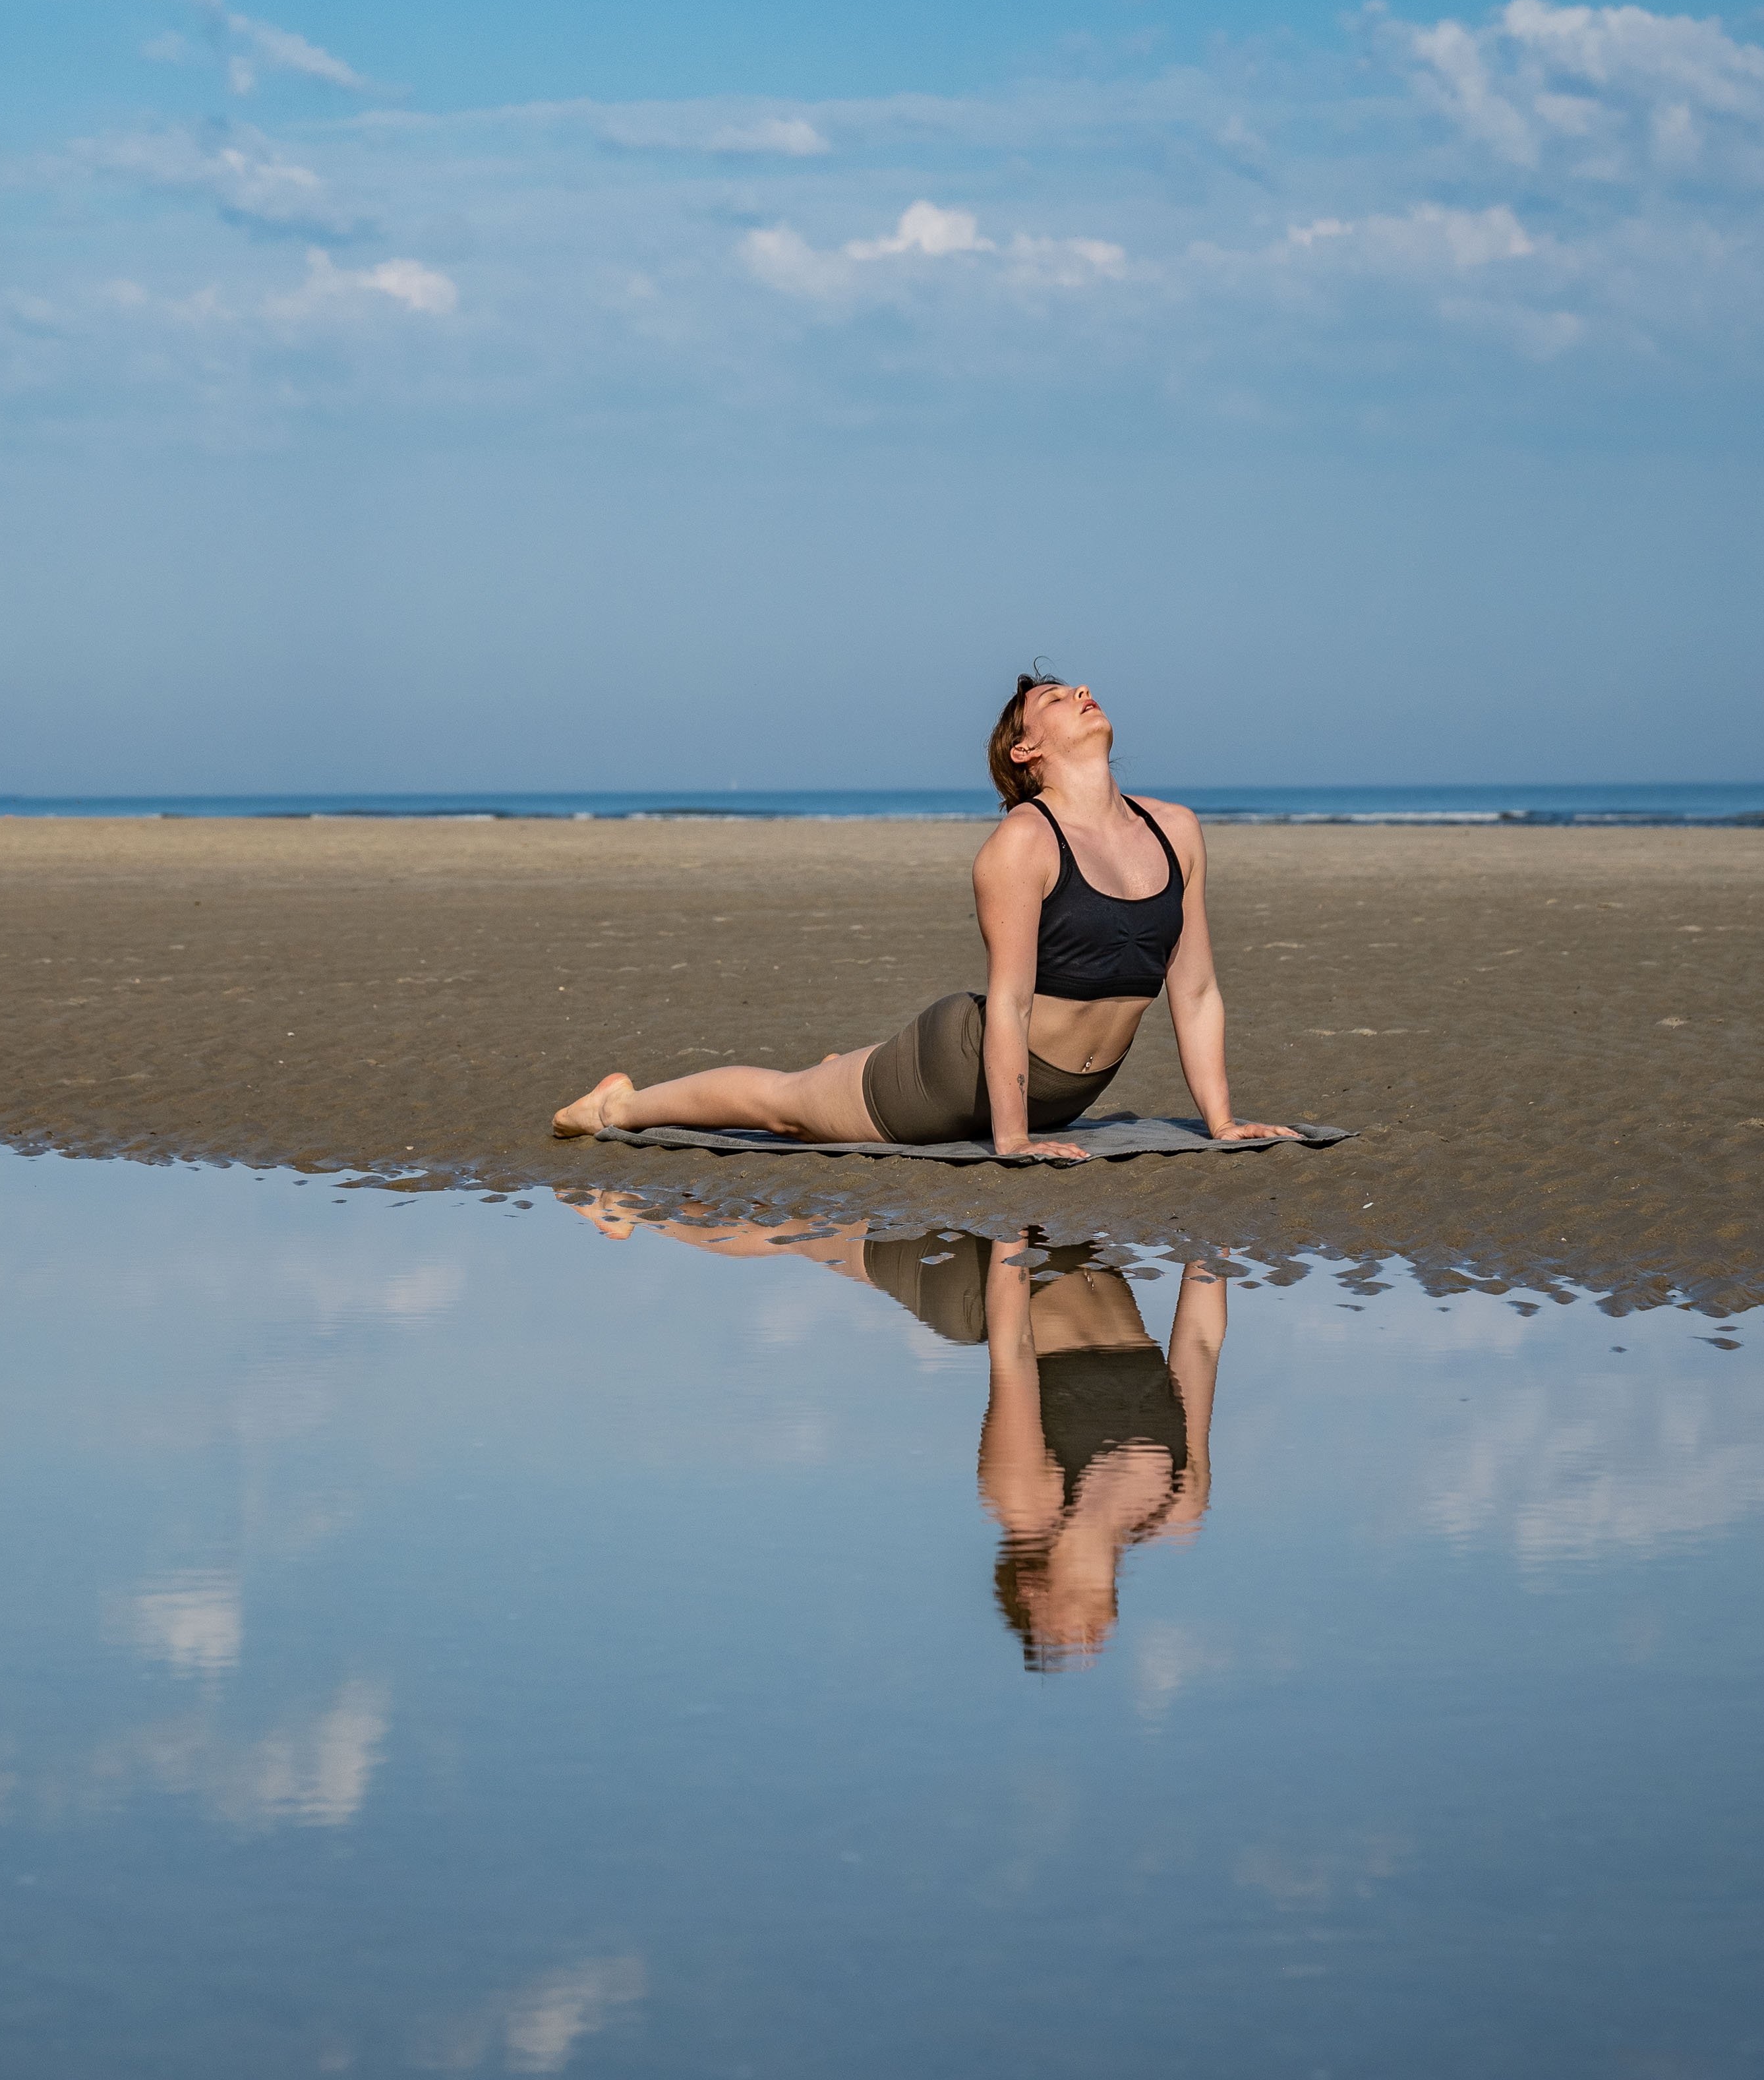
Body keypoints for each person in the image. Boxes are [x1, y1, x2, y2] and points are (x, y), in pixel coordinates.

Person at [550, 673, 1297, 1163]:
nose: (1083, 691)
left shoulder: (1176, 829)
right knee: (787, 1112)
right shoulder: (1023, 843)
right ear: (1026, 749)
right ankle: (619, 1106)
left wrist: (1223, 1123)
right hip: (957, 1071)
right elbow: (1010, 1001)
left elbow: (1196, 991)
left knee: (822, 1088)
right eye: (1055, 697)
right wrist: (1012, 1141)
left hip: (1066, 1095)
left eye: (1077, 688)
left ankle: (845, 1072)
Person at [564, 1199, 1226, 1673]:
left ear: (1031, 1593)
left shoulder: (1025, 1501)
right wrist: (1212, 1235)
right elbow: (1198, 1345)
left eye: (1052, 1647)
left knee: (808, 1232)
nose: (1085, 1652)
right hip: (1075, 1254)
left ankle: (630, 1208)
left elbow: (1014, 1354)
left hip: (975, 1289)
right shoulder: (1178, 1505)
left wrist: (1007, 1228)